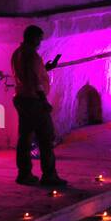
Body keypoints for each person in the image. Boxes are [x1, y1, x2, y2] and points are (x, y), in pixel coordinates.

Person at [11, 25, 67, 187]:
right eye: (39, 39)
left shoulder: (18, 53)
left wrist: (46, 68)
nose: (40, 42)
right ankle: (49, 175)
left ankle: (24, 173)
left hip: (22, 98)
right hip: (34, 101)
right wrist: (44, 101)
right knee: (45, 137)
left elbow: (28, 75)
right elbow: (35, 81)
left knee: (25, 138)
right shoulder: (31, 56)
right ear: (33, 37)